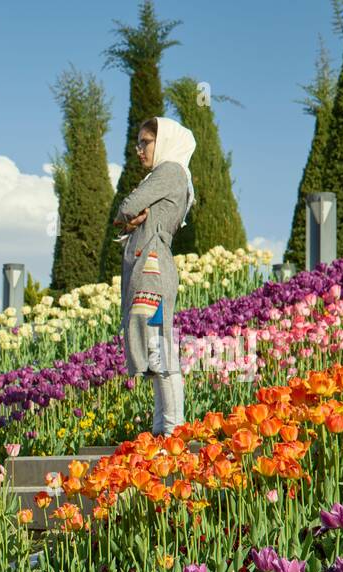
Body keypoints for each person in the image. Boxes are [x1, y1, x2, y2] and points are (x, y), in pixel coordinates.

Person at [114, 115, 196, 437]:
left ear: (162, 142)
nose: (138, 150)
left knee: (160, 349)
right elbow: (127, 216)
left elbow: (127, 207)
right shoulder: (168, 175)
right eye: (137, 143)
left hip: (153, 268)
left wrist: (132, 216)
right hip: (147, 267)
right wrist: (133, 219)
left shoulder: (170, 170)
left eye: (144, 142)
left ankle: (174, 429)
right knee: (154, 349)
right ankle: (162, 428)